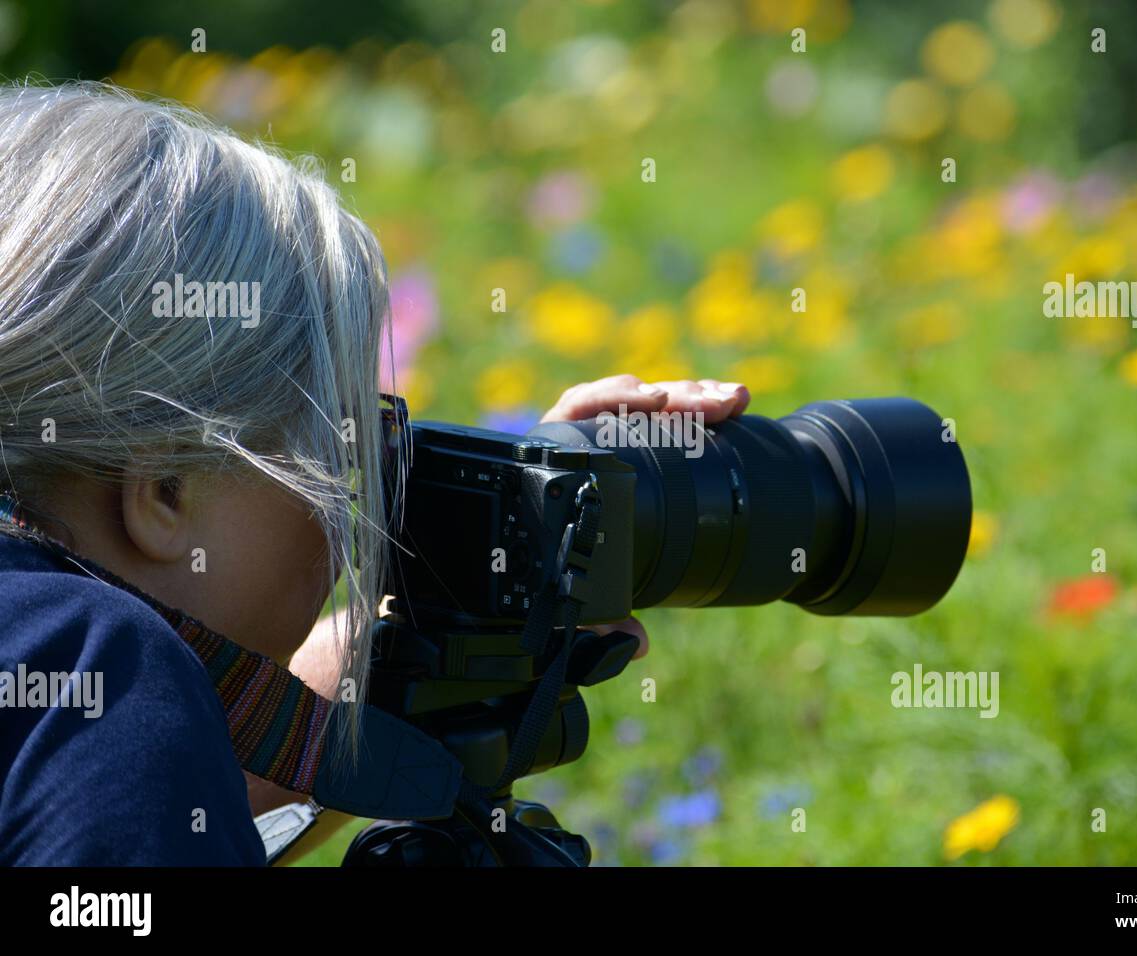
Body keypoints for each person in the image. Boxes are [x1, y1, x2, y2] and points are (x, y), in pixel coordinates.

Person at [0, 81, 750, 865]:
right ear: (164, 491)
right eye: (344, 455)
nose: (357, 519)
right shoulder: (108, 670)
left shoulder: (56, 676)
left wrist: (400, 663)